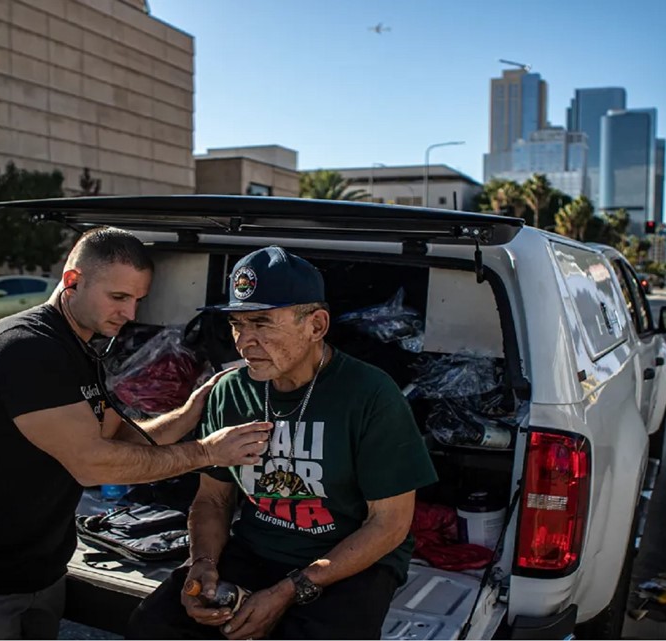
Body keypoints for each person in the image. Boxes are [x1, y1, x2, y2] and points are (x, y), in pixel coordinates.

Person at [0, 227, 272, 640]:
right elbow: (92, 463)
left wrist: (189, 413)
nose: (130, 313)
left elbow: (121, 439)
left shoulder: (83, 346)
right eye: (118, 297)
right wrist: (206, 452)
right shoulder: (23, 347)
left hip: (38, 567)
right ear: (72, 281)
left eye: (138, 300)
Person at [128, 246, 438, 640]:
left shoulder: (371, 395)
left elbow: (389, 525)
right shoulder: (230, 392)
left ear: (316, 325)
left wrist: (288, 591)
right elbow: (213, 499)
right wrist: (202, 564)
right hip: (258, 550)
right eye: (238, 324)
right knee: (153, 625)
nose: (244, 341)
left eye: (262, 322)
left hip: (353, 561)